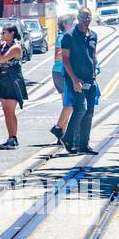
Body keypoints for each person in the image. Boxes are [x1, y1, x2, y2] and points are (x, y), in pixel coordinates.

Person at [62, 7, 99, 154]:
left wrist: (94, 73)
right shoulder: (69, 36)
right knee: (80, 109)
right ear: (77, 18)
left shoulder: (93, 35)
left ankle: (84, 144)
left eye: (88, 17)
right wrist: (74, 79)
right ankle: (68, 138)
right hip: (75, 79)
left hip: (90, 79)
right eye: (83, 17)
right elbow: (65, 60)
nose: (86, 19)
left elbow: (93, 55)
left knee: (89, 112)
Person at [0, 25, 27, 150]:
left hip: (13, 80)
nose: (2, 34)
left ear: (12, 33)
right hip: (4, 80)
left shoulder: (16, 47)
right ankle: (10, 138)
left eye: (4, 32)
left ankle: (14, 138)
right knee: (6, 111)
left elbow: (1, 59)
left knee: (10, 111)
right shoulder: (4, 46)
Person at [49, 16, 76, 144]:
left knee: (67, 104)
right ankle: (58, 128)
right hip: (61, 73)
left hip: (63, 73)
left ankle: (61, 135)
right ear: (65, 24)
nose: (74, 24)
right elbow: (57, 57)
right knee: (70, 103)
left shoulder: (69, 36)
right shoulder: (62, 37)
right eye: (72, 22)